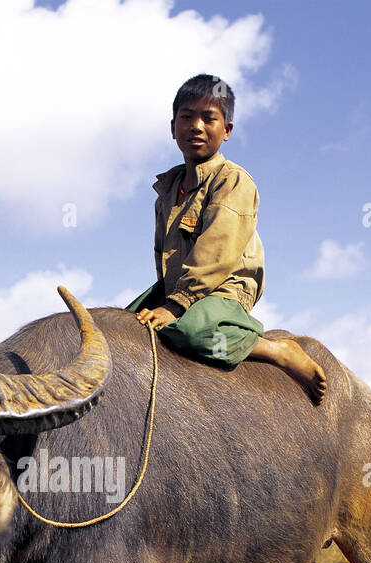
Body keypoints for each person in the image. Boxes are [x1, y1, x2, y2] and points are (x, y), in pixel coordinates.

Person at [129, 74, 327, 404]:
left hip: (225, 286)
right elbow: (162, 253)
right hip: (179, 288)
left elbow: (217, 252)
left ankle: (277, 351)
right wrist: (167, 298)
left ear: (227, 130)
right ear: (173, 128)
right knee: (121, 324)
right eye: (187, 117)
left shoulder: (233, 180)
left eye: (209, 118)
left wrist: (176, 305)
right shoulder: (167, 190)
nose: (196, 126)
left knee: (191, 333)